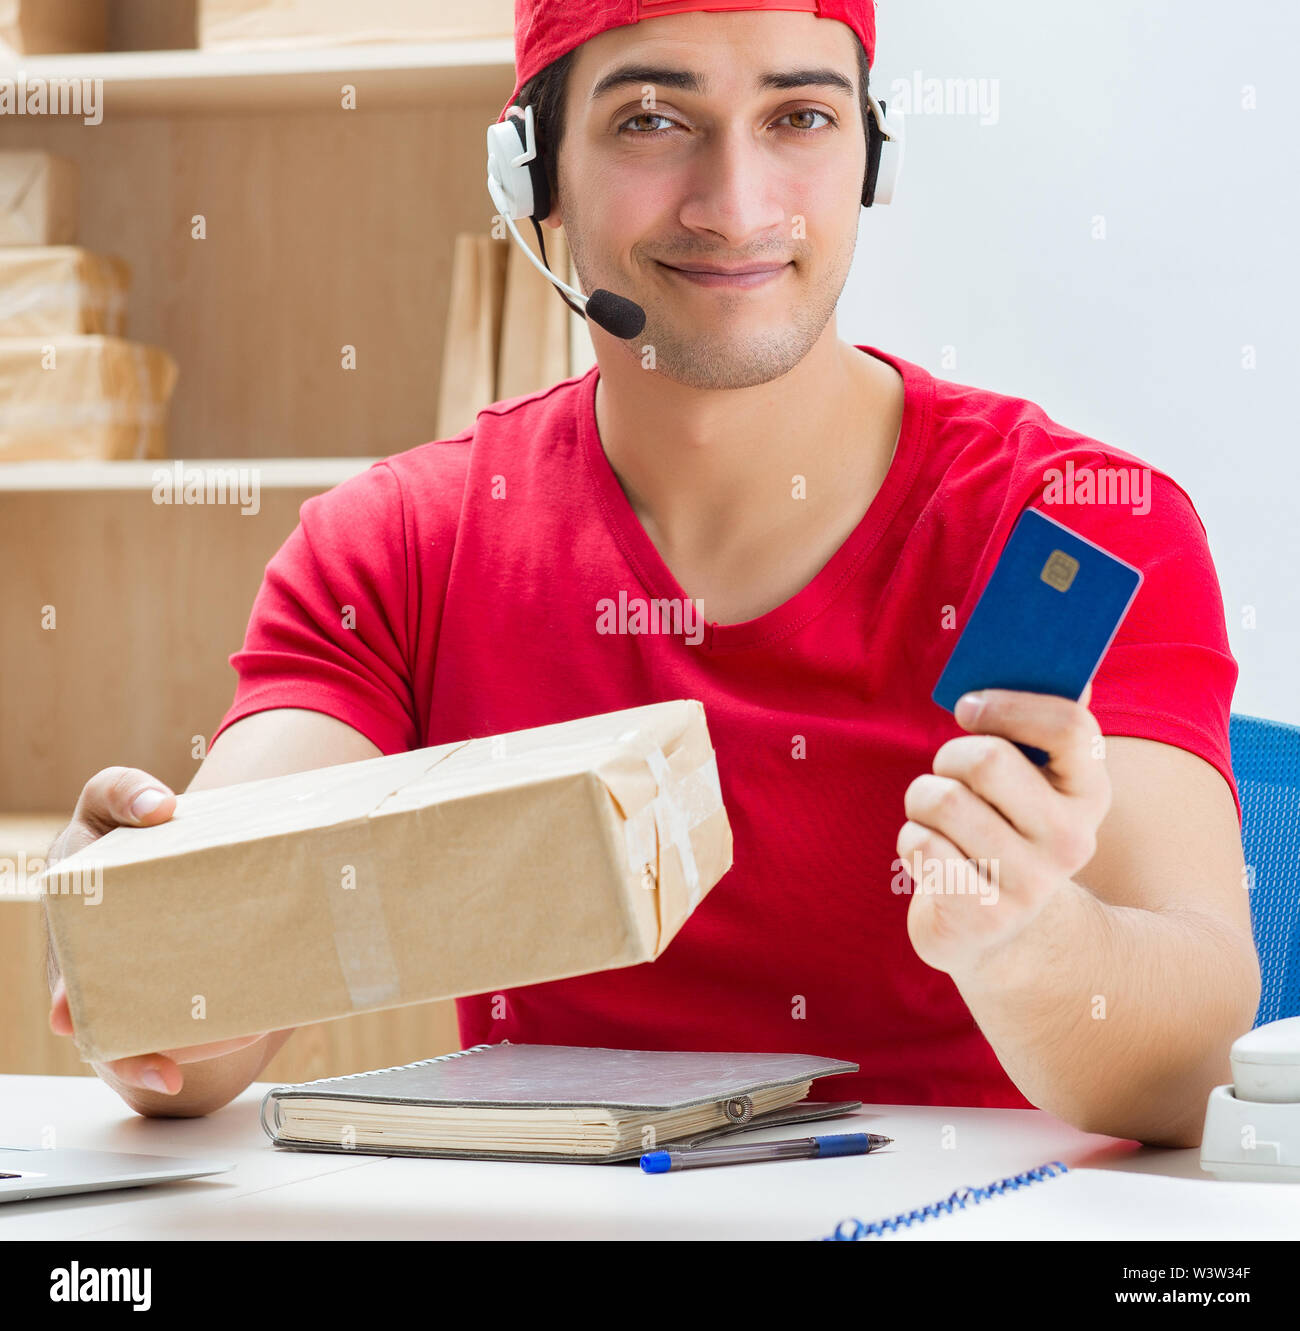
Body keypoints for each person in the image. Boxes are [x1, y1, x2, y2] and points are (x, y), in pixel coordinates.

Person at [47, 0, 1257, 1146]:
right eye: (651, 120)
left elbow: (1195, 1060)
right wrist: (138, 946)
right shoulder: (399, 545)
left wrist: (1029, 939)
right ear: (533, 176)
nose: (735, 206)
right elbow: (205, 1014)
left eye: (800, 117)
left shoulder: (1073, 526)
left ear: (868, 158)